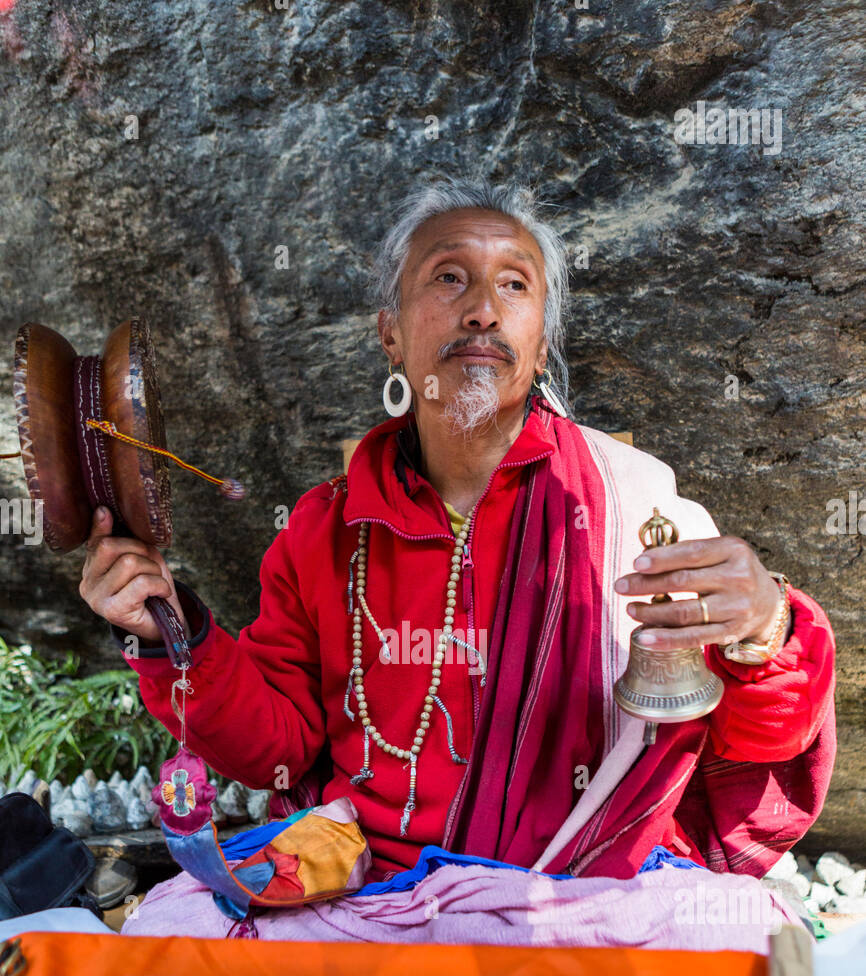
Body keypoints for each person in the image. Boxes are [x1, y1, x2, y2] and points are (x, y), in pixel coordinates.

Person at [79, 175, 835, 890]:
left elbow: (754, 749)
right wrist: (168, 631)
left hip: (590, 891)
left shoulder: (638, 508)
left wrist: (767, 629)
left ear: (540, 345)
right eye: (448, 278)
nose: (482, 310)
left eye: (515, 284)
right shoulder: (325, 529)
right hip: (371, 891)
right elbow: (274, 749)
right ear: (391, 335)